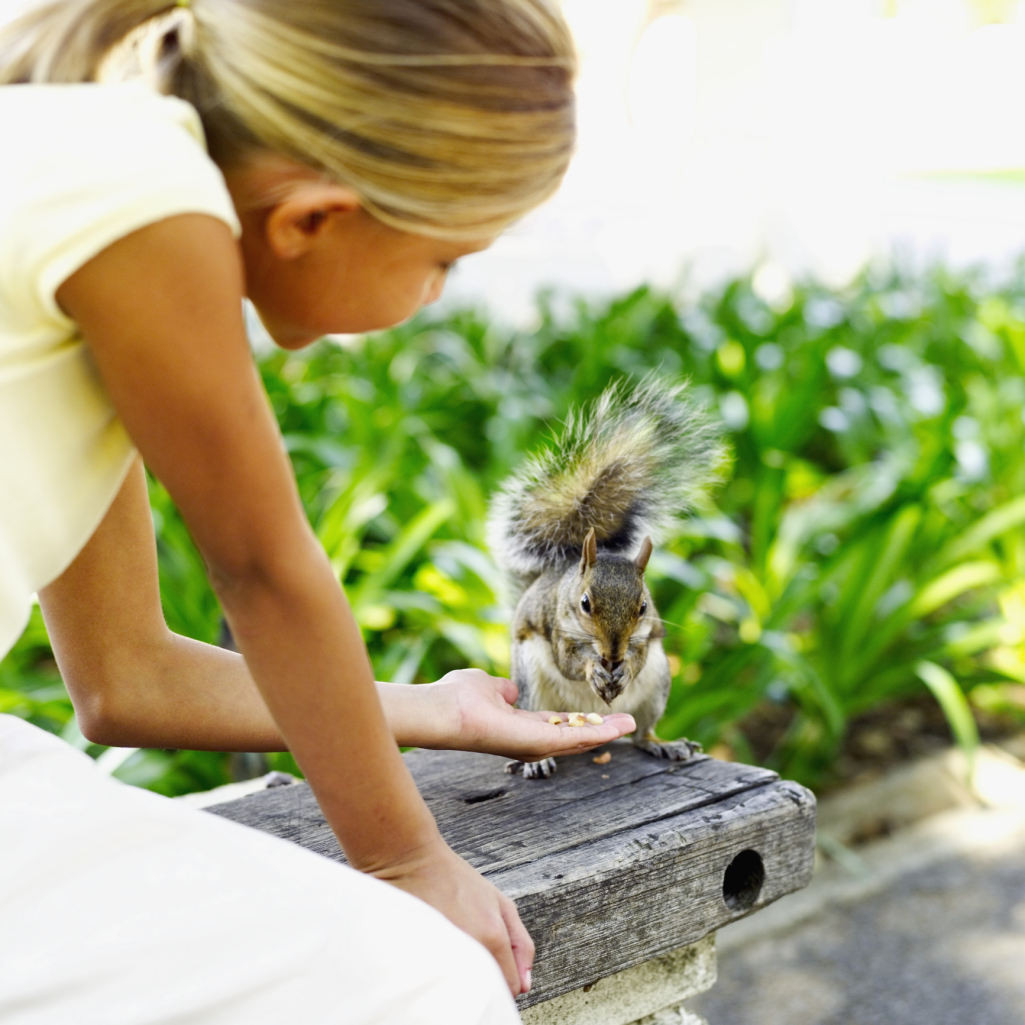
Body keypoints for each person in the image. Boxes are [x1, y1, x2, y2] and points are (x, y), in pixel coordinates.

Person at [0, 1, 638, 1021]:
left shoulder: (74, 176)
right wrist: (405, 858)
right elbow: (262, 567)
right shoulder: (137, 197)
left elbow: (126, 678)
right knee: (427, 982)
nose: (438, 295)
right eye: (444, 259)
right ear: (312, 217)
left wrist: (436, 710)